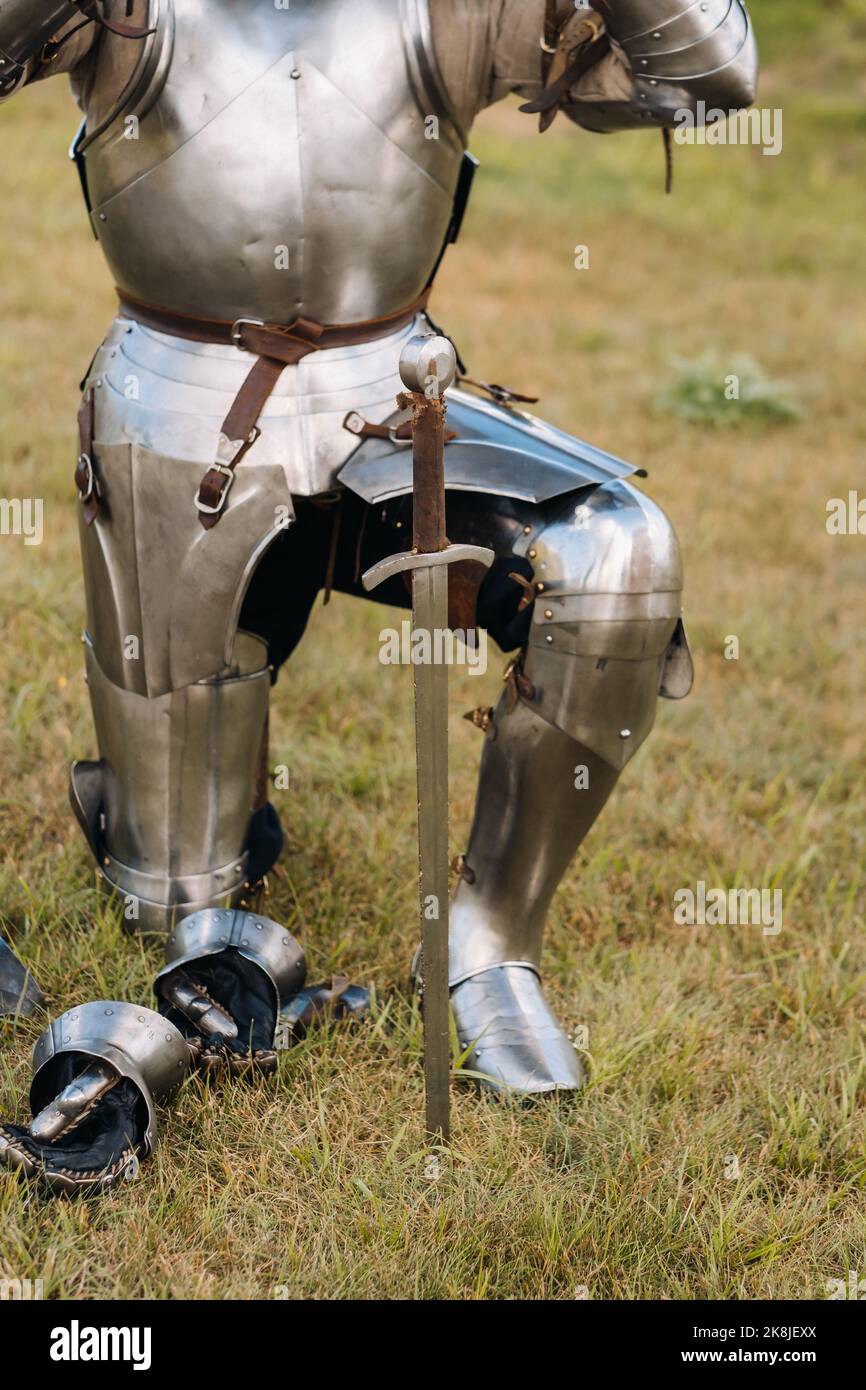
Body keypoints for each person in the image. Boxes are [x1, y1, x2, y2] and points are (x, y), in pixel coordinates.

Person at [0, 1, 757, 1096]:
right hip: (177, 415)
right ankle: (152, 806)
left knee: (617, 559)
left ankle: (485, 946)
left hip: (397, 397)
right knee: (171, 903)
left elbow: (709, 76)